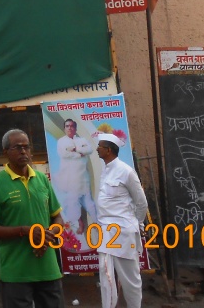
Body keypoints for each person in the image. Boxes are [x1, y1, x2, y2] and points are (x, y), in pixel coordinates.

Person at [0, 129, 65, 308]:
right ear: (5, 152)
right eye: (17, 147)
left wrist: (46, 235)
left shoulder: (41, 179)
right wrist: (24, 231)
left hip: (48, 269)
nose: (23, 152)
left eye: (26, 147)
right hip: (16, 272)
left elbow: (58, 219)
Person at [94, 134, 148, 308]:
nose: (97, 149)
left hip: (123, 233)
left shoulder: (126, 171)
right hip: (106, 231)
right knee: (105, 274)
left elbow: (141, 203)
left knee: (130, 279)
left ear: (108, 150)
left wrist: (136, 225)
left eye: (100, 146)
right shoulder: (106, 169)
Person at [53, 119, 97, 234]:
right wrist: (80, 154)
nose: (69, 128)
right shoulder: (61, 142)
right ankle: (80, 225)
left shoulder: (82, 140)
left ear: (75, 129)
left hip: (83, 177)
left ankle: (98, 225)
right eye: (67, 126)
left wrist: (75, 149)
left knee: (89, 203)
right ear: (64, 128)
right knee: (73, 203)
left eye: (72, 126)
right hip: (71, 178)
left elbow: (89, 150)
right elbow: (64, 154)